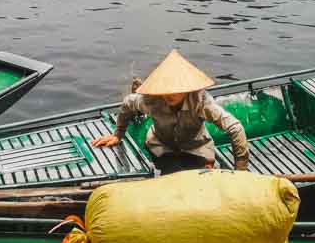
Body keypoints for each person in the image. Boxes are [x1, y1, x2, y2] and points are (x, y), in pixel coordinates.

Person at [92, 49, 250, 174]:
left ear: (187, 89)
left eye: (175, 90)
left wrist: (241, 170)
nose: (169, 95)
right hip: (161, 145)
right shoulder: (151, 101)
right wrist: (117, 135)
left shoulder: (201, 102)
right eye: (166, 89)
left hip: (196, 147)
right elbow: (128, 103)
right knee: (172, 174)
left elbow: (235, 127)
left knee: (203, 177)